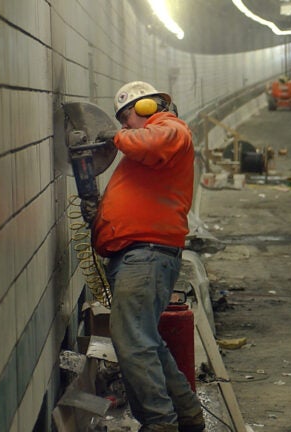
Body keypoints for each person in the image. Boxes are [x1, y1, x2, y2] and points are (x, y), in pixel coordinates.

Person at [92, 81, 204, 432]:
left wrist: (113, 135)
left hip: (147, 254)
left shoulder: (169, 129)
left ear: (145, 109)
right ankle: (186, 418)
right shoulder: (149, 145)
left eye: (128, 118)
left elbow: (148, 141)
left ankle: (160, 424)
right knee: (146, 342)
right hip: (140, 255)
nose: (125, 127)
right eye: (122, 121)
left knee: (133, 343)